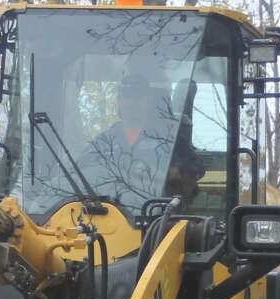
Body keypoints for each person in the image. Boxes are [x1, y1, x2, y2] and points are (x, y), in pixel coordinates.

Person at [79, 73, 205, 210]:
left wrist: (170, 173)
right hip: (110, 216)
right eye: (127, 96)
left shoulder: (168, 139)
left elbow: (195, 170)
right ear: (119, 101)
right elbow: (80, 171)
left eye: (139, 96)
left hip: (156, 218)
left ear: (149, 101)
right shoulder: (104, 141)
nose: (132, 102)